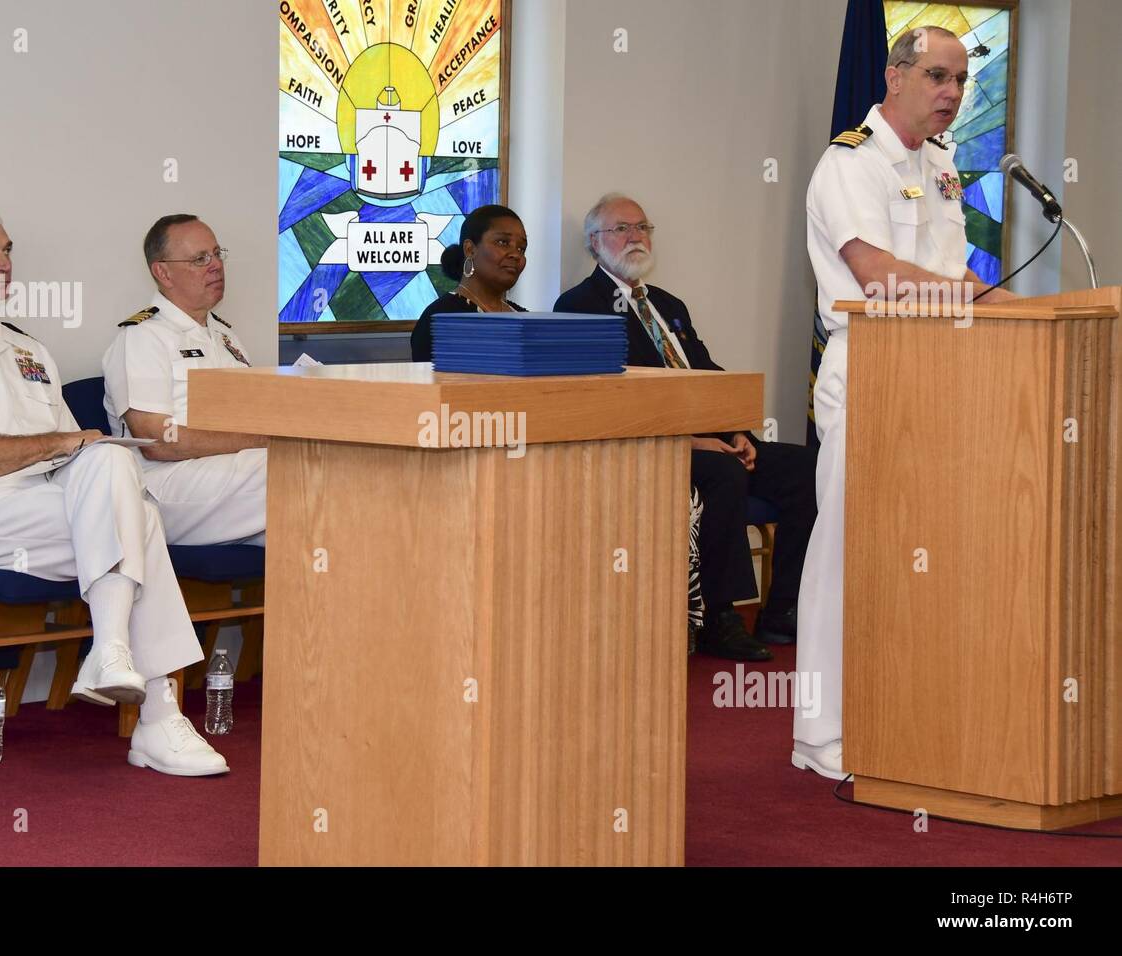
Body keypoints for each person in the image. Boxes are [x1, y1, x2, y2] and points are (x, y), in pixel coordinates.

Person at [0, 203, 227, 776]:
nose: (5, 263)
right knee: (138, 516)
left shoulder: (29, 351)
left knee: (110, 466)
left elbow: (78, 454)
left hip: (54, 511)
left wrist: (77, 450)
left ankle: (113, 656)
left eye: (8, 249)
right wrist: (57, 446)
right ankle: (158, 717)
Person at [798, 25, 1017, 778]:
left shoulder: (944, 166)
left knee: (924, 557)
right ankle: (822, 734)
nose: (953, 94)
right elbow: (876, 271)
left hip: (943, 380)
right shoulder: (849, 163)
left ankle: (906, 715)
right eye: (937, 76)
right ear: (894, 76)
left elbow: (952, 268)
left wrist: (1002, 304)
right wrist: (971, 292)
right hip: (872, 376)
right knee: (847, 549)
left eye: (961, 81)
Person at [556, 194, 817, 663]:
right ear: (594, 243)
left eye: (642, 227)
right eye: (621, 229)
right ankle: (721, 616)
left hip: (711, 438)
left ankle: (784, 609)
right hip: (648, 446)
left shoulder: (668, 304)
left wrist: (738, 430)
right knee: (725, 475)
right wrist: (694, 441)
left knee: (809, 467)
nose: (635, 236)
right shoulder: (578, 305)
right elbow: (605, 403)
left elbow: (704, 373)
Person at [102, 214, 268, 546]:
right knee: (288, 467)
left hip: (233, 476)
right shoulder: (142, 338)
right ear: (162, 272)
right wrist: (263, 440)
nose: (216, 266)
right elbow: (155, 441)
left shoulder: (226, 338)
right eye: (200, 259)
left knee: (317, 503)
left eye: (217, 254)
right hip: (165, 486)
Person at [410, 204, 529, 362]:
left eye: (522, 248)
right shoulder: (440, 319)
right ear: (470, 249)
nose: (515, 254)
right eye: (503, 242)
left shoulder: (525, 319)